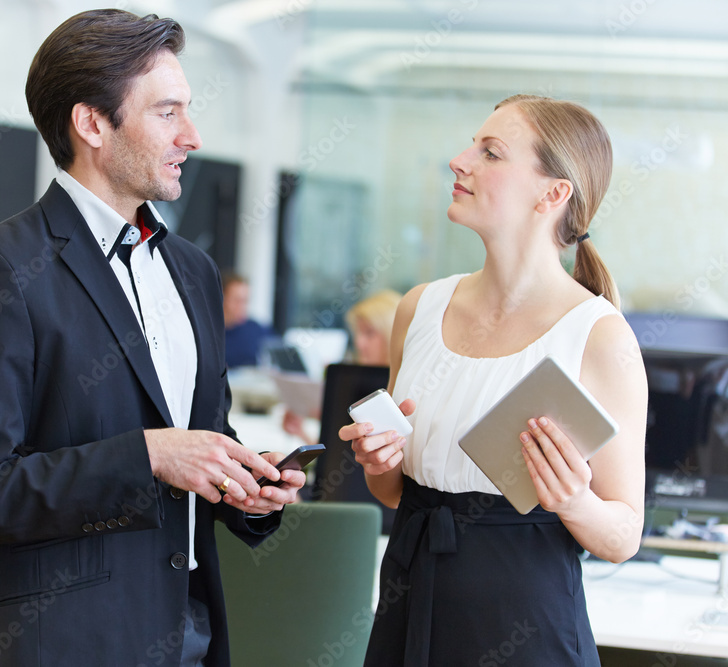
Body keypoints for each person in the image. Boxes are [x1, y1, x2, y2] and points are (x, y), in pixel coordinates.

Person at [0, 10, 304, 666]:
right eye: (167, 113)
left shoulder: (192, 269)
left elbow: (200, 435)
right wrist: (148, 456)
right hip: (66, 643)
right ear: (92, 123)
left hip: (189, 633)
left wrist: (248, 483)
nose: (192, 135)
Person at [340, 95, 647, 666]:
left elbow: (623, 535)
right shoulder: (418, 309)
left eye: (490, 152)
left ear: (553, 194)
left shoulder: (599, 337)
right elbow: (396, 494)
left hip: (525, 620)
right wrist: (380, 464)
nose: (460, 161)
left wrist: (575, 500)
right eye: (469, 146)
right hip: (409, 596)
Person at [282, 289, 401, 444]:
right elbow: (339, 455)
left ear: (390, 334)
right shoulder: (356, 383)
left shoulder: (400, 390)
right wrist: (302, 432)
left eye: (369, 333)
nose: (359, 343)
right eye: (358, 333)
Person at [222, 271, 273, 367]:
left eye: (245, 301)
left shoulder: (257, 329)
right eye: (237, 300)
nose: (242, 306)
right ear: (222, 298)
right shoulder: (208, 334)